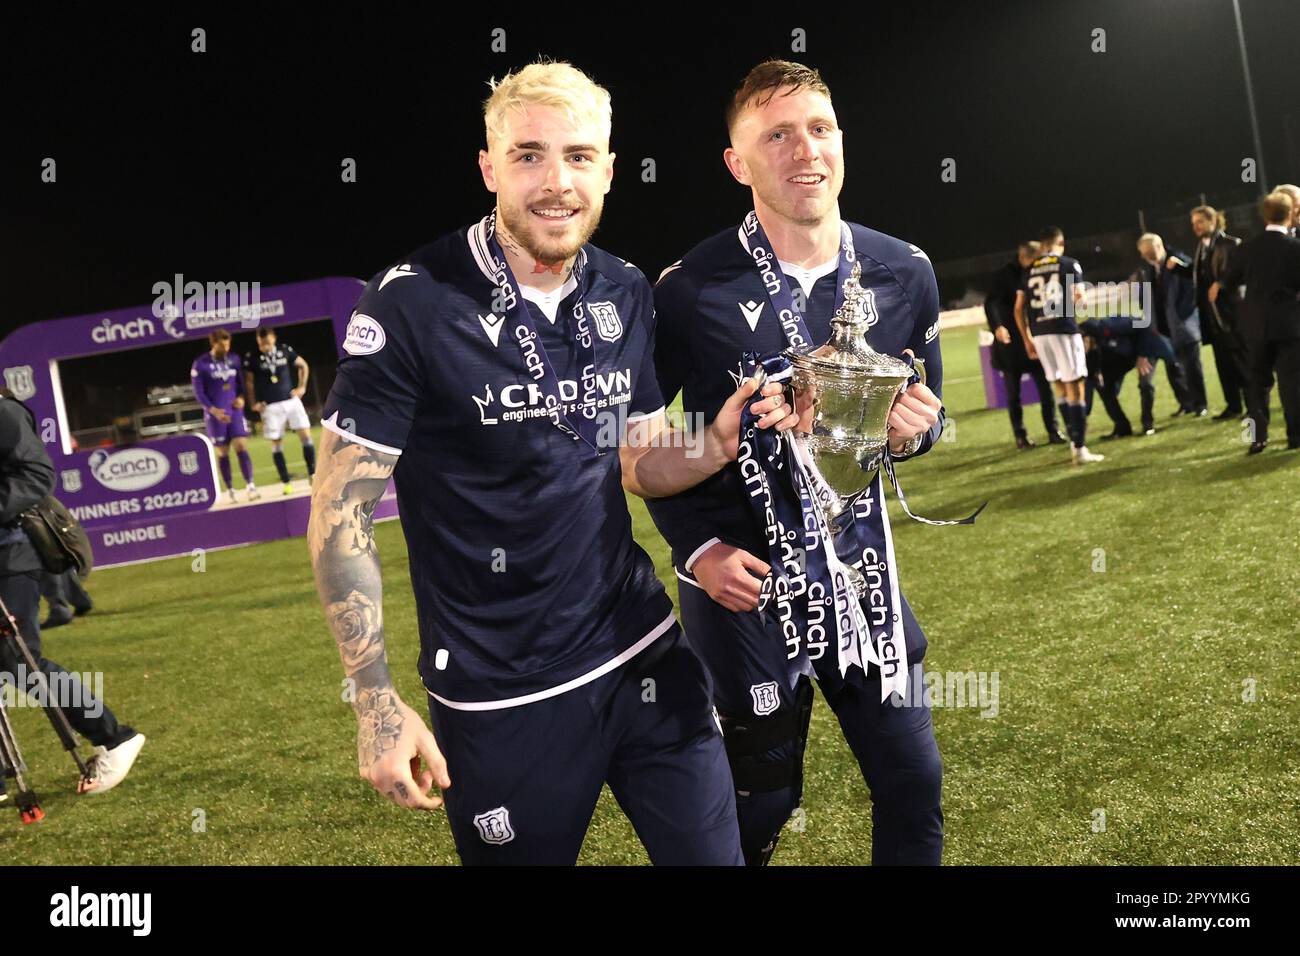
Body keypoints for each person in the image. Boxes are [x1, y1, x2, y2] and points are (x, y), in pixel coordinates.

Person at [308, 61, 796, 866]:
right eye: (529, 155)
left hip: (642, 651)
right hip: (500, 693)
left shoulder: (624, 289)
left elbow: (638, 458)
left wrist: (714, 441)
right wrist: (375, 703)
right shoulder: (413, 302)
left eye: (578, 157)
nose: (556, 182)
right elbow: (340, 512)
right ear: (489, 168)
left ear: (608, 171)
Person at [648, 60, 946, 865]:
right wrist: (697, 548)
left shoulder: (905, 270)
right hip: (742, 585)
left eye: (819, 129)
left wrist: (913, 432)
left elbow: (927, 414)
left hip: (858, 578)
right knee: (764, 800)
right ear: (738, 163)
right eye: (777, 135)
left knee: (914, 783)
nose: (805, 150)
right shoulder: (687, 289)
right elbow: (643, 443)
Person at [0, 389, 144, 798]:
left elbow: (36, 475)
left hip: (11, 553)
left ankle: (115, 738)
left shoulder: (4, 412)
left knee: (17, 660)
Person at [1218, 190, 1300, 453]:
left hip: (1254, 324)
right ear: (1290, 214)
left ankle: (1258, 438)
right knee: (1291, 382)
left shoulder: (1247, 248)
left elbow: (1228, 282)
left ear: (1264, 215)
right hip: (1288, 324)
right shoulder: (1294, 247)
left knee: (1256, 383)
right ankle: (1295, 435)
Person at [1014, 226, 1105, 463]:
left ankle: (1074, 444)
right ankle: (1080, 448)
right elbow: (1079, 299)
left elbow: (1018, 308)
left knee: (1060, 387)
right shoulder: (1068, 264)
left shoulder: (1029, 269)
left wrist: (1027, 339)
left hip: (1040, 334)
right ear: (1060, 243)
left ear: (1043, 245)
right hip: (1063, 329)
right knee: (1076, 386)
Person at [985, 241, 1065, 448]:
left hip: (1037, 339)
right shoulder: (1003, 275)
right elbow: (992, 303)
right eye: (1036, 259)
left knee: (1046, 389)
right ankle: (1020, 435)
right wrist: (998, 327)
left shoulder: (1039, 272)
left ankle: (1053, 430)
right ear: (1023, 258)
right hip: (1011, 343)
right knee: (1014, 394)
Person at [1136, 233, 1207, 417]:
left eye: (1148, 253)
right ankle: (1186, 403)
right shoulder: (1149, 270)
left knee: (1191, 367)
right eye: (1144, 254)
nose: (1146, 257)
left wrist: (1182, 313)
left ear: (1159, 247)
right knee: (1173, 369)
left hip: (1183, 325)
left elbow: (1193, 288)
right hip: (1163, 326)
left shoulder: (1179, 262)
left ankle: (1200, 404)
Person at [243, 326, 316, 495]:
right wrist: (253, 403)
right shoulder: (252, 357)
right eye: (261, 344)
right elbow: (249, 382)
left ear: (274, 339)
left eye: (267, 343)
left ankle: (312, 474)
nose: (264, 347)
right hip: (270, 406)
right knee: (276, 443)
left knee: (306, 436)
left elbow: (303, 365)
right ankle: (286, 482)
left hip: (291, 401)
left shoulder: (284, 350)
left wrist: (302, 387)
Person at [1191, 205, 1246, 419]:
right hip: (1212, 318)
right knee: (1223, 364)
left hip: (1232, 315)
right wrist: (1179, 268)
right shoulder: (1201, 248)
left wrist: (1221, 284)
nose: (1196, 227)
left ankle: (1253, 405)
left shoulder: (1231, 244)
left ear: (1213, 221)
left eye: (1200, 222)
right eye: (1194, 223)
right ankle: (1233, 406)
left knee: (1241, 362)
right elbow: (1202, 278)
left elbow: (1241, 274)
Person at [191, 329, 258, 502]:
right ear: (213, 344)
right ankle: (230, 490)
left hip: (235, 411)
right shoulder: (201, 364)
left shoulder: (234, 359)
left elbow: (241, 384)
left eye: (228, 345)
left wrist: (241, 398)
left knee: (241, 445)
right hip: (215, 415)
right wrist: (213, 410)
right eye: (222, 345)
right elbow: (199, 392)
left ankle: (251, 486)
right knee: (223, 452)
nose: (226, 348)